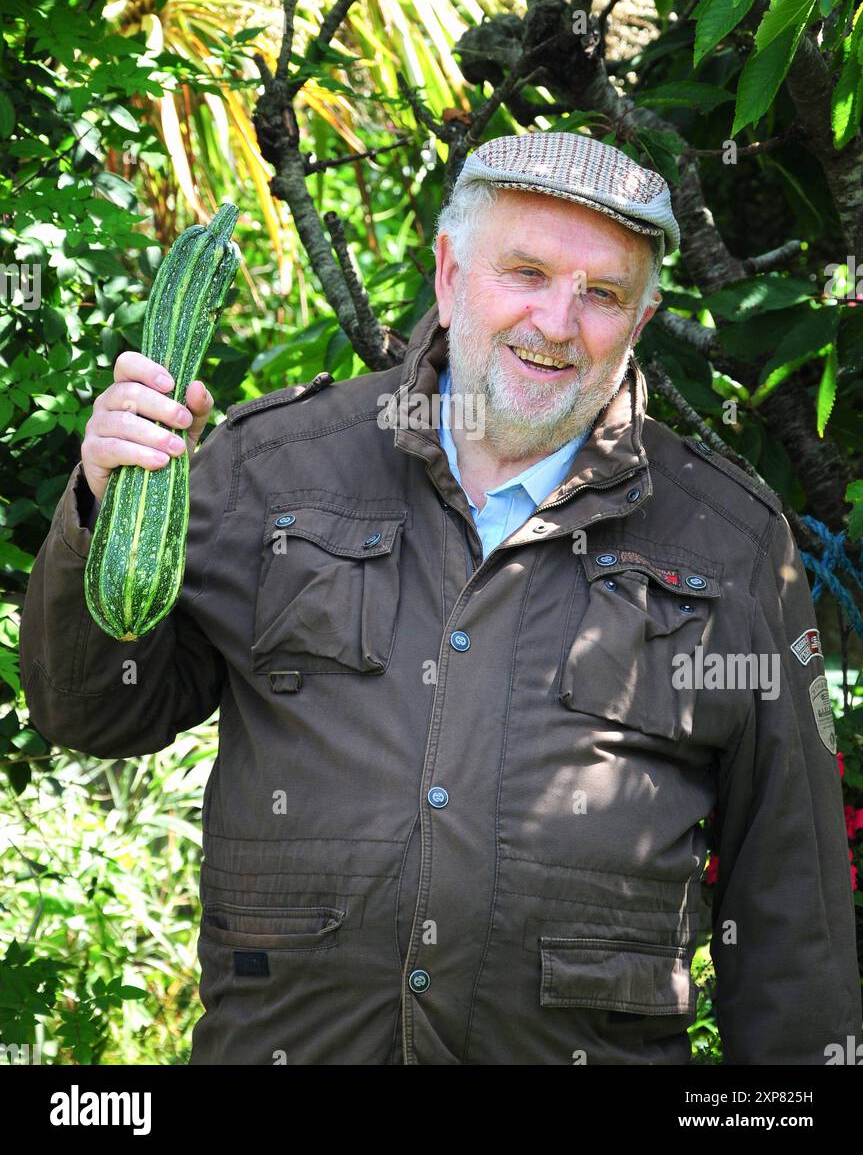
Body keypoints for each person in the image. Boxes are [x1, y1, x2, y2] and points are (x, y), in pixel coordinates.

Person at [19, 131, 861, 1066]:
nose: (555, 321)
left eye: (602, 295)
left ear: (642, 317)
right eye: (526, 272)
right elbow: (92, 710)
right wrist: (104, 504)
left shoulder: (729, 540)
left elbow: (794, 905)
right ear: (451, 272)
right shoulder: (270, 470)